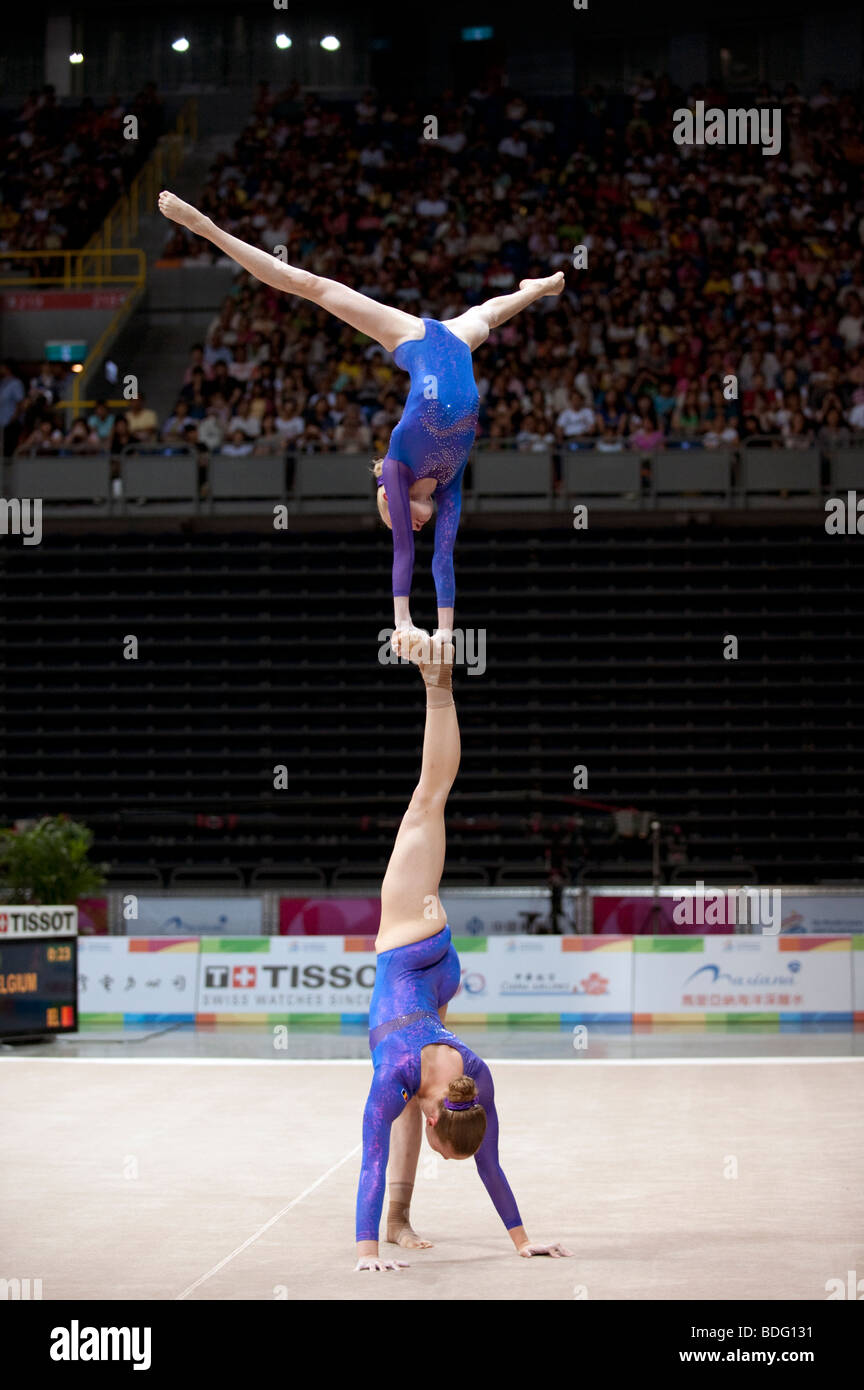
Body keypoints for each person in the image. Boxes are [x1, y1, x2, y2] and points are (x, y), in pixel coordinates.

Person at [157, 190, 564, 646]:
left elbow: (403, 554)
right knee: (485, 315)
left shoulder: (396, 469)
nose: (411, 528)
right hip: (452, 340)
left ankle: (204, 226)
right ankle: (537, 289)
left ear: (390, 499)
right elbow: (442, 557)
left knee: (307, 284)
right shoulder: (449, 482)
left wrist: (404, 622)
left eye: (398, 520)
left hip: (411, 337)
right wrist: (446, 636)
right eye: (409, 525)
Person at [355, 633, 573, 1272]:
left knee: (433, 800)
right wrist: (361, 1254)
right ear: (437, 1120)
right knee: (428, 797)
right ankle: (437, 685)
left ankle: (396, 1219)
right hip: (406, 940)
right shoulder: (400, 1074)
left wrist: (521, 1238)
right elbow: (369, 1157)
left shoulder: (472, 1077)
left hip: (435, 966)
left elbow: (491, 1162)